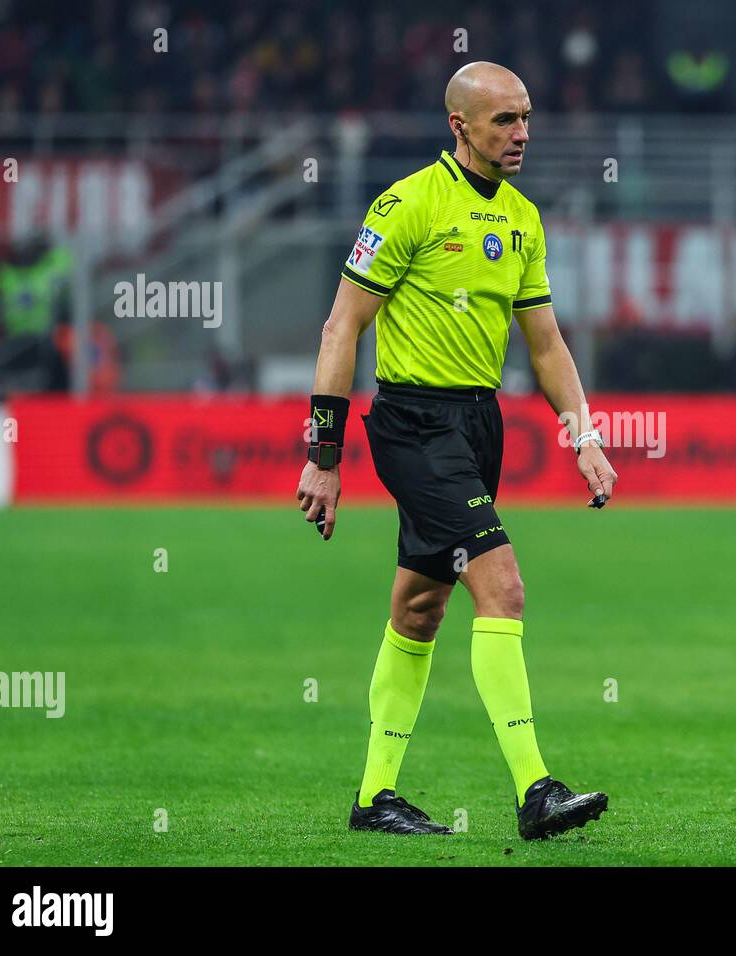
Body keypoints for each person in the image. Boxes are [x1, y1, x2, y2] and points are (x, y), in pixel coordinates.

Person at [295, 62, 617, 840]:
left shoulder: (523, 219)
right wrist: (325, 455)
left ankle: (375, 798)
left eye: (527, 117)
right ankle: (536, 789)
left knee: (419, 605)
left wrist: (585, 435)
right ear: (460, 126)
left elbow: (545, 346)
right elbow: (343, 327)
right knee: (501, 586)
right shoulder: (405, 206)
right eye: (505, 120)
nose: (522, 134)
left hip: (478, 425)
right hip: (413, 424)